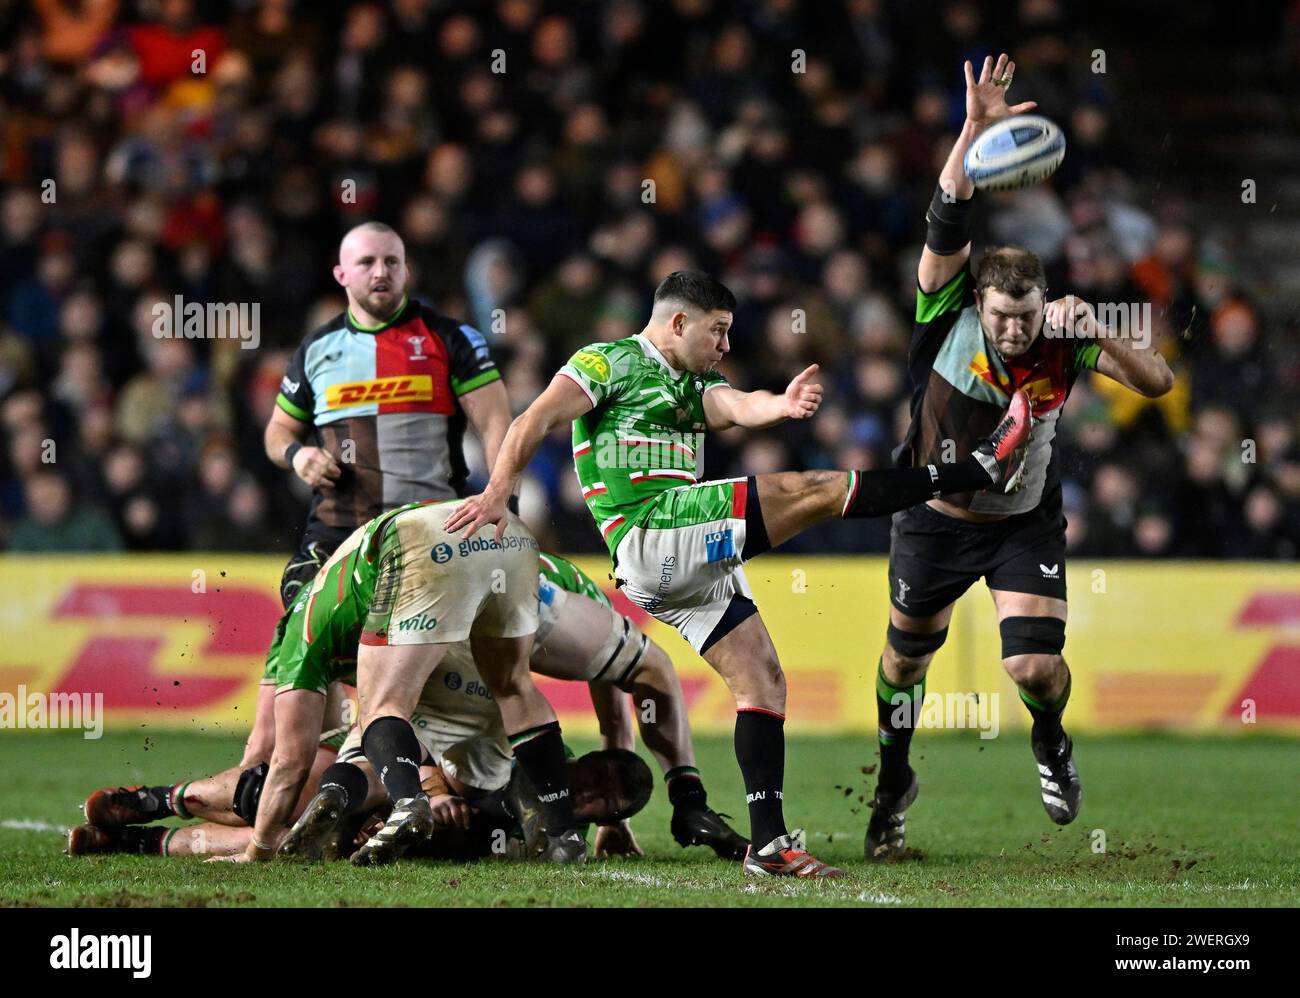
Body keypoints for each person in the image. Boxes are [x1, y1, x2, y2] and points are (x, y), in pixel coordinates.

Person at [445, 269, 1031, 877]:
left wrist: (778, 404)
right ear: (678, 323)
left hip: (684, 554)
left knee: (764, 683)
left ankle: (771, 846)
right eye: (718, 331)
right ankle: (977, 469)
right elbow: (531, 420)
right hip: (651, 528)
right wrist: (496, 493)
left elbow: (735, 405)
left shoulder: (696, 382)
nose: (726, 345)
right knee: (813, 488)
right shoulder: (608, 363)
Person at [862, 54, 1175, 860]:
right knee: (903, 663)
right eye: (1002, 316)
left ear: (1044, 304)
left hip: (1021, 524)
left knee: (1035, 669)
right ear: (979, 303)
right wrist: (973, 131)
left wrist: (1099, 326)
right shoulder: (942, 307)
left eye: (1027, 315)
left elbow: (1158, 379)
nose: (1014, 330)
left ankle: (1051, 741)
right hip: (932, 517)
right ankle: (894, 780)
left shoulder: (1064, 341)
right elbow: (947, 209)